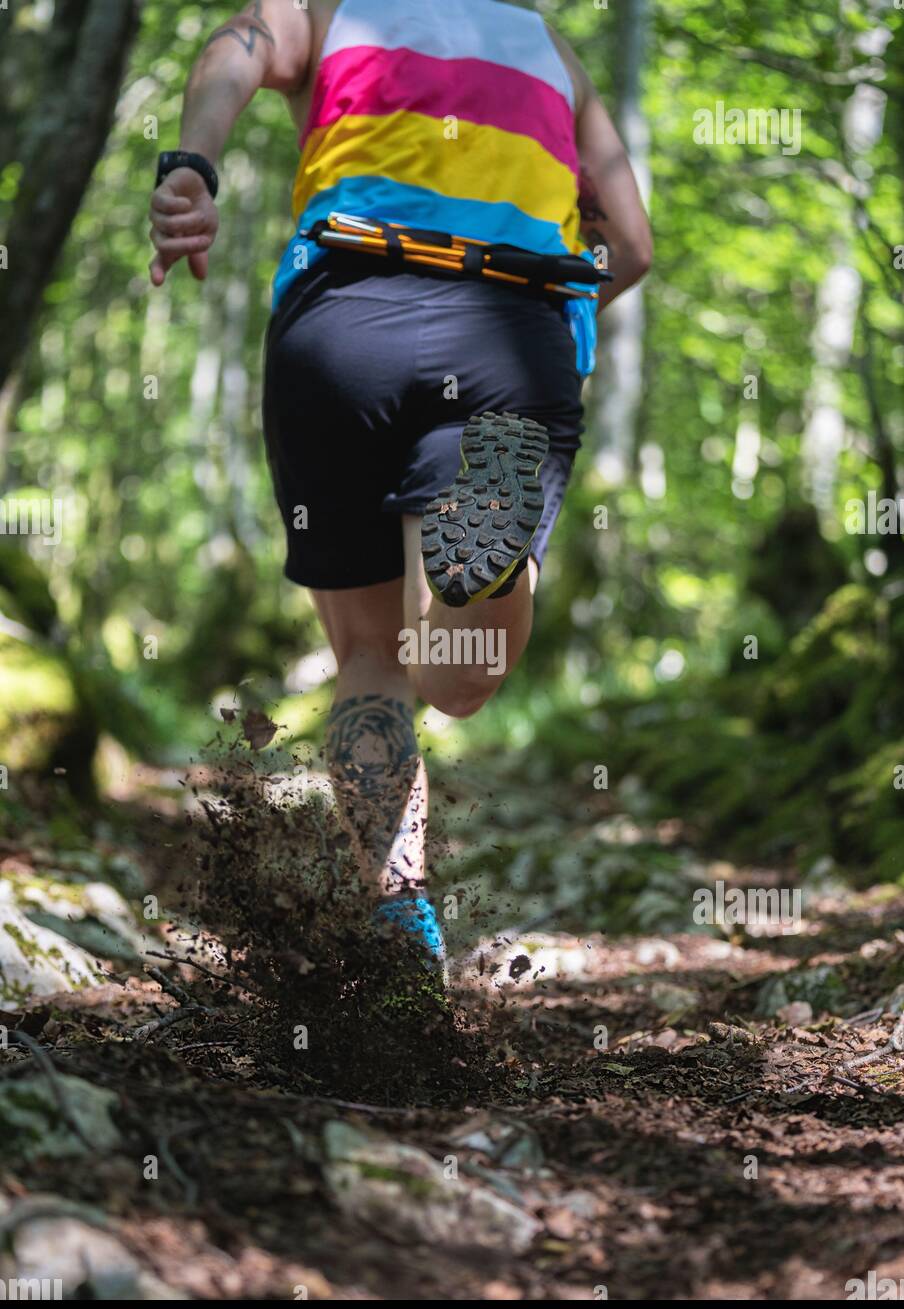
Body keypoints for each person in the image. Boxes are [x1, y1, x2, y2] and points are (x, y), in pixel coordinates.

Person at [149, 0, 652, 972]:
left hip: (343, 321)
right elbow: (629, 246)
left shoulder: (332, 9)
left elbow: (237, 48)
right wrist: (562, 301)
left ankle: (400, 915)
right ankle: (470, 561)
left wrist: (192, 167)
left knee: (368, 658)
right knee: (458, 676)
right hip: (508, 326)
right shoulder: (545, 43)